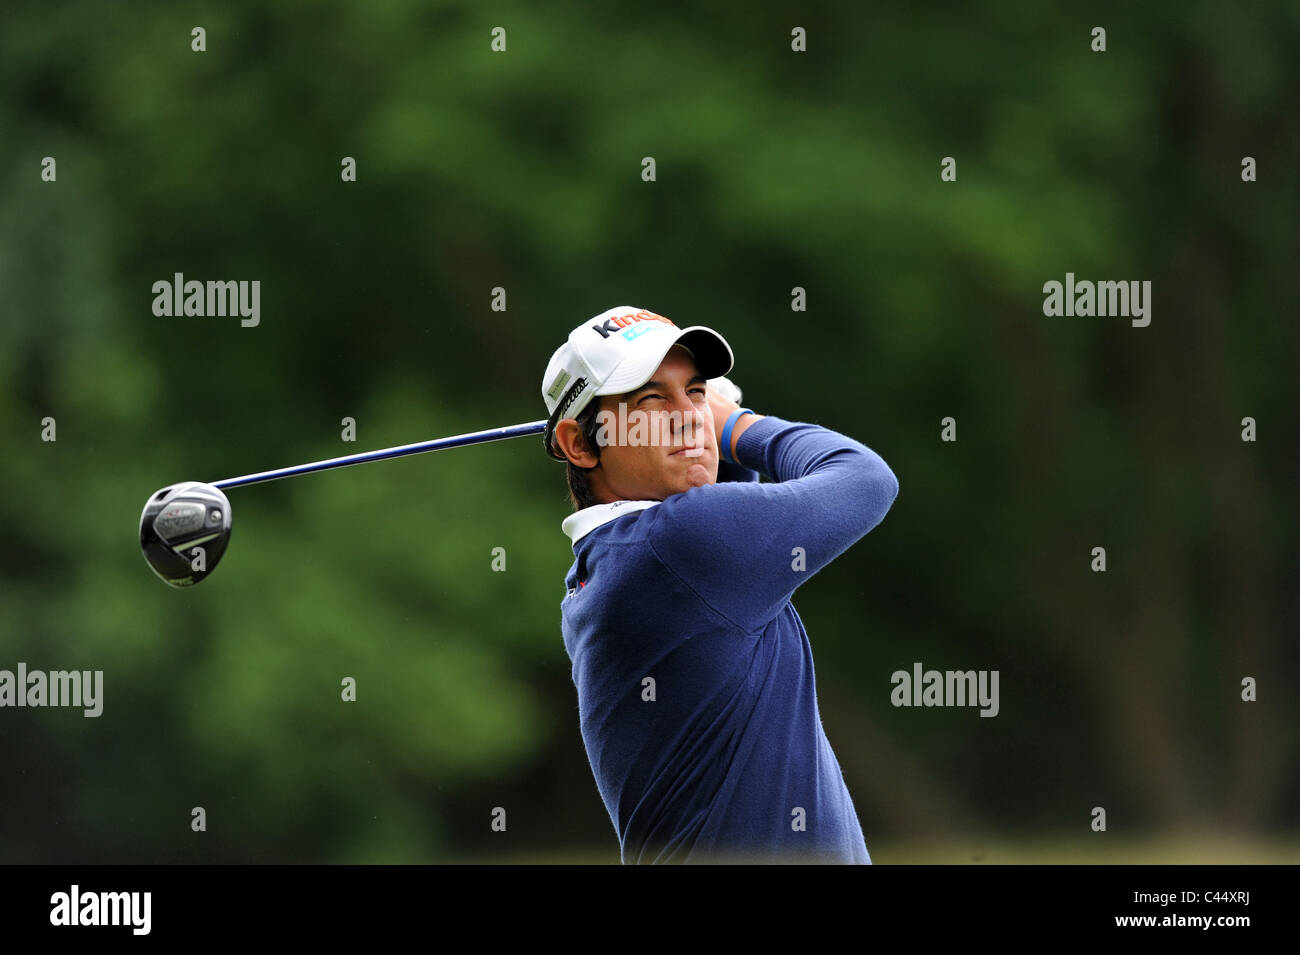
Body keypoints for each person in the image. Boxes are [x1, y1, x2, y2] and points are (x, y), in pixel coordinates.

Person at [541, 305, 899, 864]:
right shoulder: (681, 544)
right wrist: (737, 423)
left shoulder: (604, 568)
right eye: (652, 399)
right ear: (581, 444)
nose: (689, 416)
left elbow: (729, 506)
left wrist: (699, 422)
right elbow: (865, 478)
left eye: (696, 391)